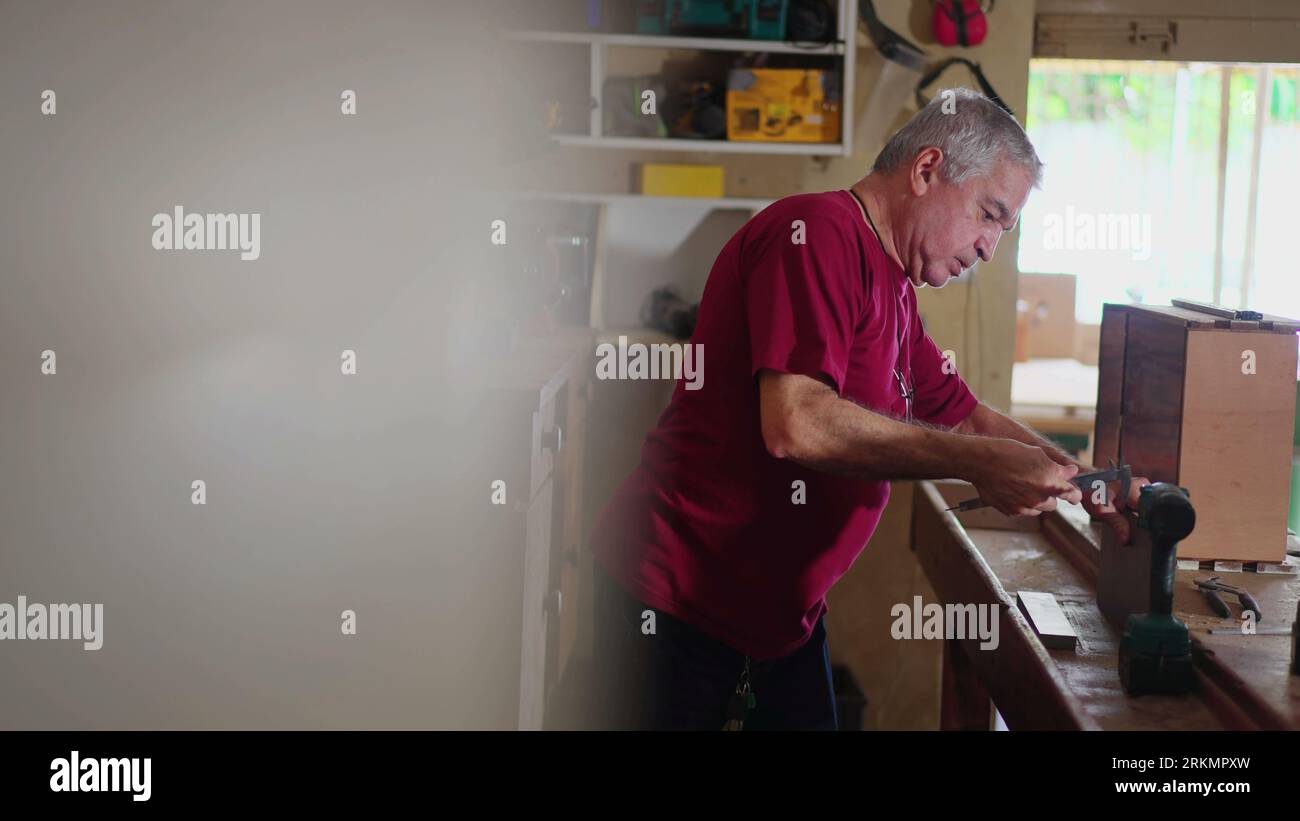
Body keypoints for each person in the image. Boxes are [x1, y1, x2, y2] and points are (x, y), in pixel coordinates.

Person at [587, 88, 1145, 731]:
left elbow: (963, 415)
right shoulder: (818, 235)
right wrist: (976, 464)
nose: (991, 248)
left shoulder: (895, 289)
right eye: (990, 215)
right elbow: (795, 421)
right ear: (928, 169)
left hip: (778, 622)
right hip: (679, 607)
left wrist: (1085, 482)